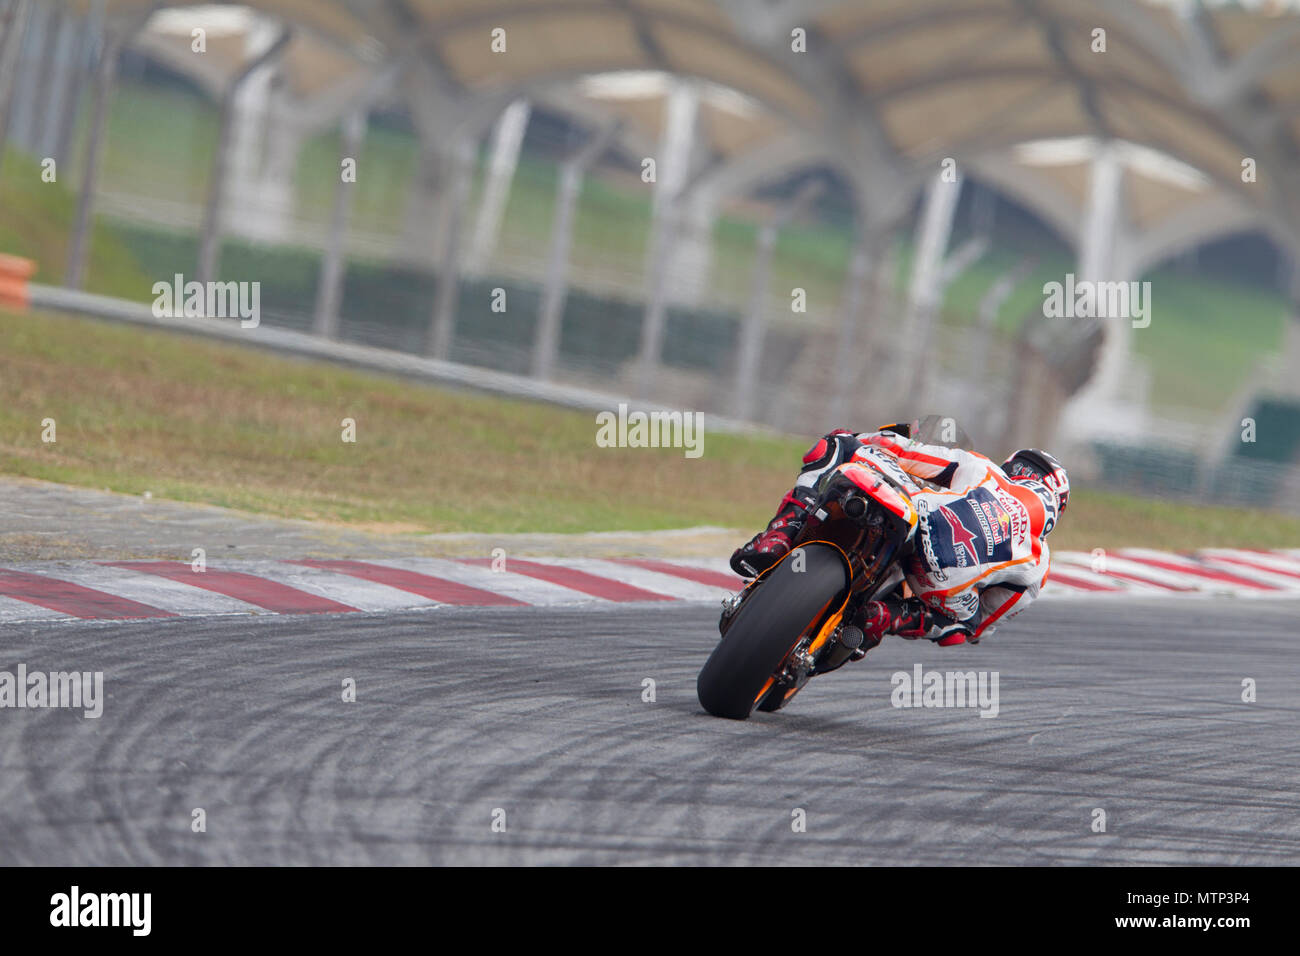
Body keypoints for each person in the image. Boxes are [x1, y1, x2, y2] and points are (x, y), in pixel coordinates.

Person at [730, 424, 1069, 652]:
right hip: (939, 587)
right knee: (963, 623)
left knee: (835, 445)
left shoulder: (983, 469)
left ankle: (779, 535)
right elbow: (979, 623)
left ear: (1013, 468)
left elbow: (905, 452)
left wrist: (863, 437)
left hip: (920, 521)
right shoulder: (1039, 563)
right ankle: (885, 617)